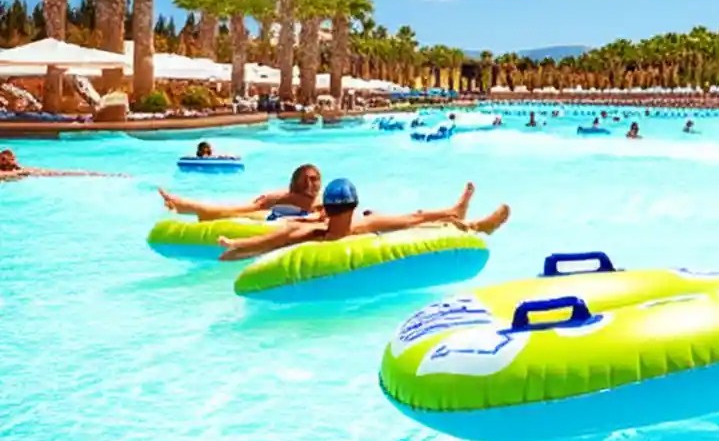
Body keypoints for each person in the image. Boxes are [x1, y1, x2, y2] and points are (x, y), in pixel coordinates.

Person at [217, 179, 510, 261]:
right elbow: (270, 241)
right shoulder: (312, 231)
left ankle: (461, 216)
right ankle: (462, 219)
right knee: (410, 219)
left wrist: (237, 246)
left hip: (370, 226)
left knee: (414, 219)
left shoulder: (360, 224)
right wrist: (236, 245)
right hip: (363, 227)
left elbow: (413, 219)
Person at [159, 163, 322, 221]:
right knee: (226, 211)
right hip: (265, 206)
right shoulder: (304, 199)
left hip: (271, 203)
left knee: (226, 209)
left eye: (314, 179)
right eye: (305, 180)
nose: (310, 184)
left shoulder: (312, 197)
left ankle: (181, 205)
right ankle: (180, 204)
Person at [0, 148, 121, 181]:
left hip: (39, 174)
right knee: (71, 174)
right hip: (36, 175)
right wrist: (19, 172)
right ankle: (106, 175)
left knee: (72, 173)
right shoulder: (12, 172)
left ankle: (105, 175)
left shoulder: (17, 169)